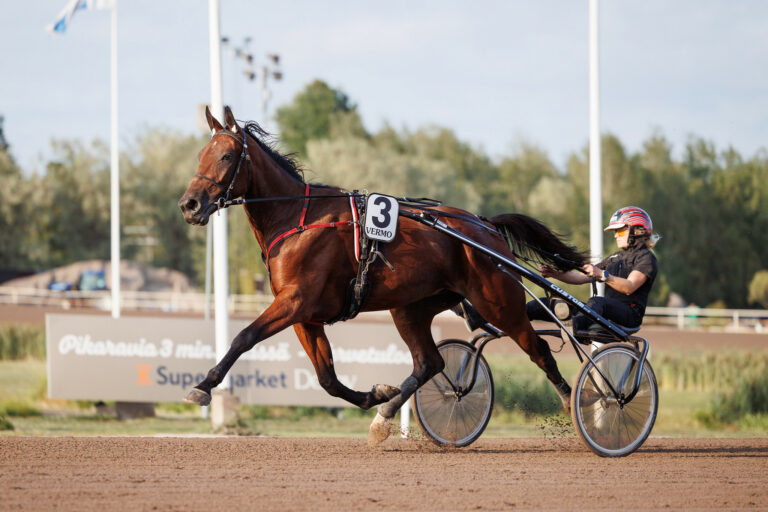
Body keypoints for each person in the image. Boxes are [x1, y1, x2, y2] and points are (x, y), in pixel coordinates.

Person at [526, 206, 659, 335]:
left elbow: (629, 287)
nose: (616, 236)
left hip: (629, 317)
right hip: (603, 312)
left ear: (637, 231)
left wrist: (601, 274)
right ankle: (516, 315)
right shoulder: (616, 257)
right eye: (615, 232)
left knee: (597, 302)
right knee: (546, 303)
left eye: (620, 231)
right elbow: (581, 277)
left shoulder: (646, 258)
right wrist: (555, 274)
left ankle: (573, 326)